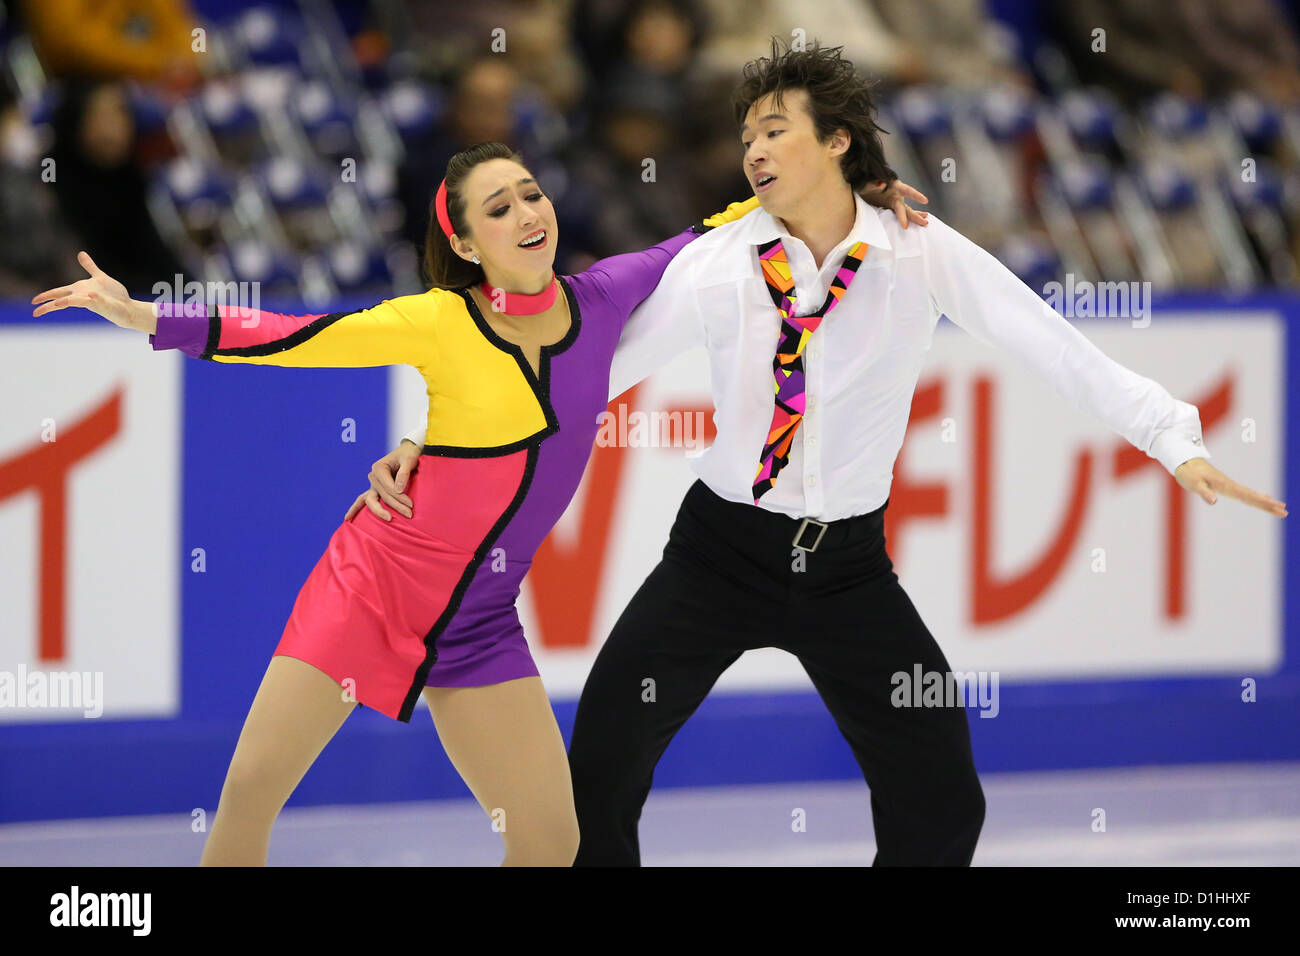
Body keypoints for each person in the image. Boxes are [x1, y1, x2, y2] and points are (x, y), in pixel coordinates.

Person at [362, 41, 1287, 866]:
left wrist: (1173, 440)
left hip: (848, 570)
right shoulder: (720, 263)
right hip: (715, 557)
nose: (753, 151)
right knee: (599, 771)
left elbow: (1049, 340)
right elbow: (583, 377)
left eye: (774, 131)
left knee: (942, 799)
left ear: (838, 141)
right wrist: (432, 447)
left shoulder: (918, 254)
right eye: (746, 137)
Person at [30, 137, 920, 866]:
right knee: (250, 797)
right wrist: (145, 315)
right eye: (498, 209)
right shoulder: (437, 322)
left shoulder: (603, 298)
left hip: (481, 622)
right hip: (368, 591)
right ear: (463, 244)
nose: (527, 214)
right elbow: (290, 334)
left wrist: (859, 191)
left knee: (549, 840)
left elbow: (715, 229)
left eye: (531, 194)